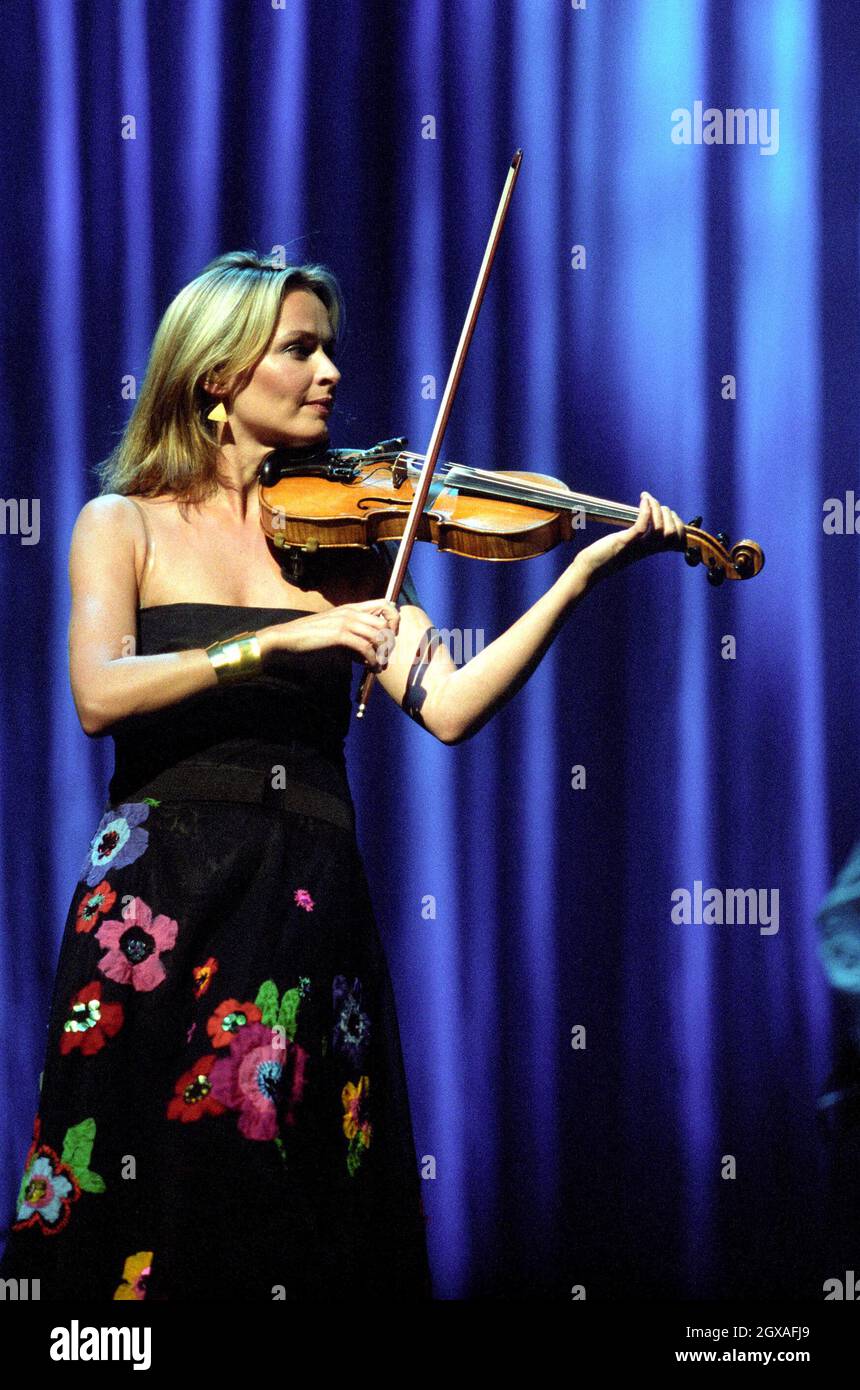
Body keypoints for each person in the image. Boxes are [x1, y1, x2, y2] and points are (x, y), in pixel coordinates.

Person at [0, 249, 686, 1301]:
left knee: (286, 1200)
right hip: (161, 905)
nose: (328, 373)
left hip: (302, 901)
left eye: (329, 351)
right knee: (145, 1189)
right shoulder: (123, 523)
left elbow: (449, 709)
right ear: (219, 375)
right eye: (299, 349)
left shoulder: (350, 555)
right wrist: (270, 643)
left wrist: (581, 573)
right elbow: (99, 691)